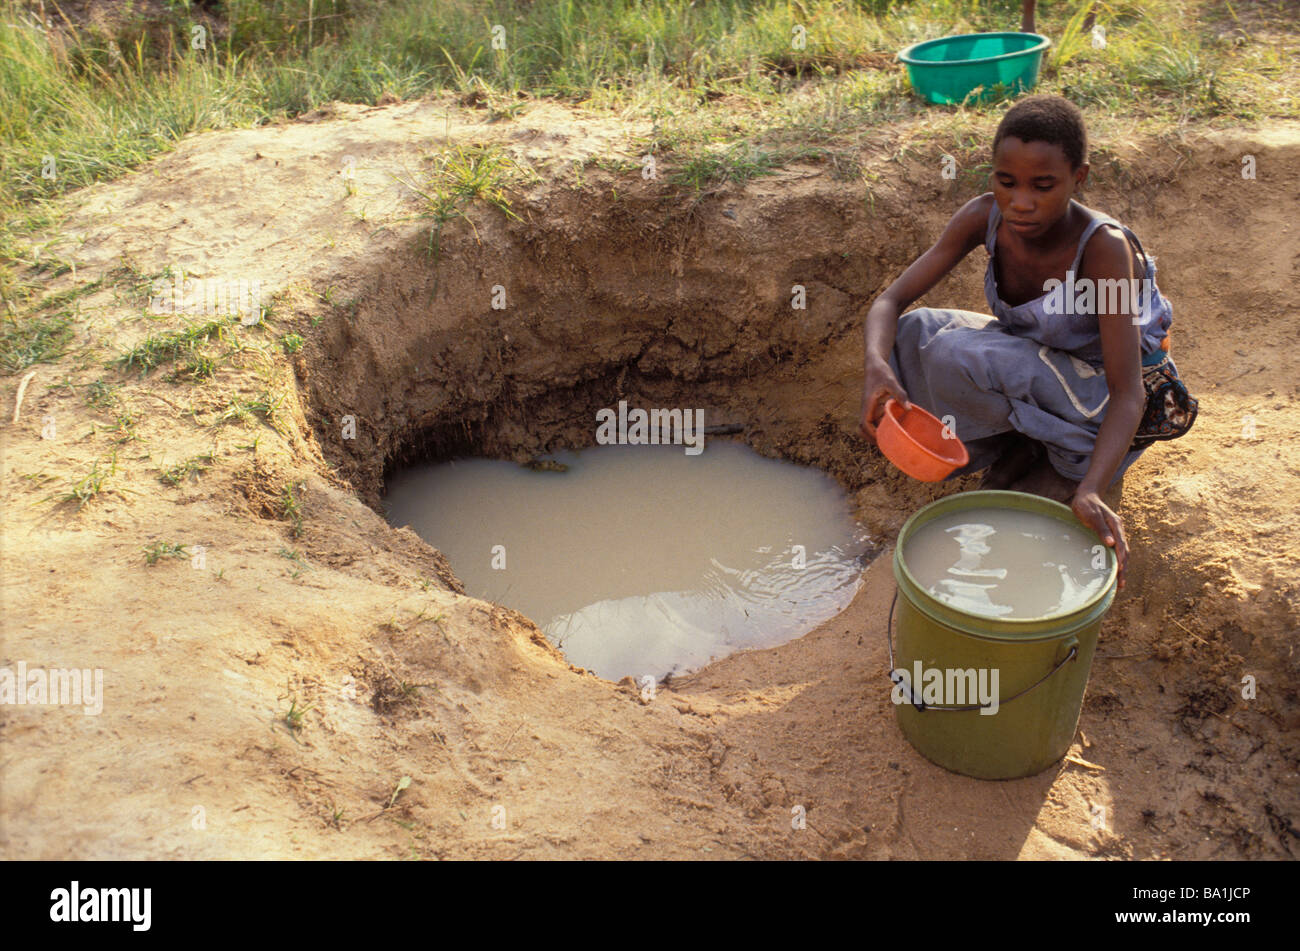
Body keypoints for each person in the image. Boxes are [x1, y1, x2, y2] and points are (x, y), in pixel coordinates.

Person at [858, 95, 1186, 591]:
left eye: (1043, 185)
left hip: (1107, 397)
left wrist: (1093, 489)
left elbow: (1128, 391)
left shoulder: (1103, 250)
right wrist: (876, 367)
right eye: (1006, 181)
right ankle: (1018, 441)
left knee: (956, 352)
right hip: (1044, 365)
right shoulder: (984, 217)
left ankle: (1072, 459)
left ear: (1080, 177)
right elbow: (891, 302)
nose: (1021, 202)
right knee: (915, 332)